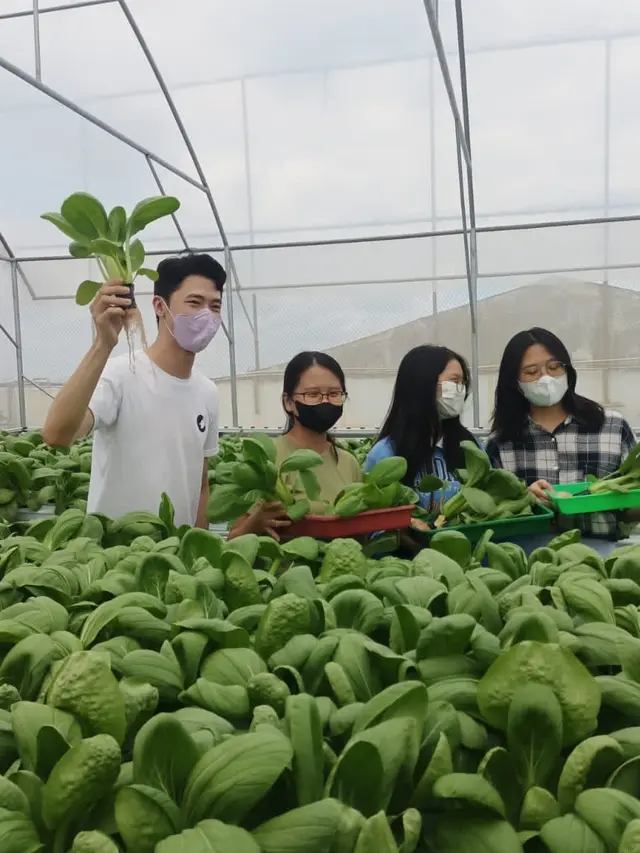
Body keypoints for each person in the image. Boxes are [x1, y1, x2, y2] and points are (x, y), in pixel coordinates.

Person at [41, 253, 225, 529]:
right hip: (118, 549)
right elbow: (57, 435)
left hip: (174, 552)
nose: (206, 315)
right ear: (160, 306)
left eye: (215, 306)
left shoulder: (207, 392)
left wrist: (199, 546)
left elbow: (200, 486)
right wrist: (102, 344)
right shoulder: (120, 374)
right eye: (194, 303)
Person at [486, 327, 638, 554]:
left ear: (567, 370)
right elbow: (493, 515)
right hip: (532, 555)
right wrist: (526, 502)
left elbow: (632, 505)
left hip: (600, 554)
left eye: (554, 367)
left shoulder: (612, 427)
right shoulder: (501, 442)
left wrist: (614, 500)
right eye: (531, 372)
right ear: (515, 383)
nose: (545, 377)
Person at [233, 351, 362, 540]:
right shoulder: (267, 459)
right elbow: (234, 538)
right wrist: (254, 525)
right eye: (313, 394)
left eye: (334, 394)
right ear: (288, 402)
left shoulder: (349, 462)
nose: (325, 401)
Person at [364, 345, 479, 511]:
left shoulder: (471, 447)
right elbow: (377, 516)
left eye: (463, 383)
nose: (461, 390)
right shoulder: (385, 453)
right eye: (454, 381)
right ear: (423, 384)